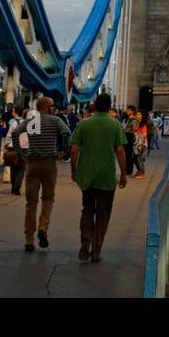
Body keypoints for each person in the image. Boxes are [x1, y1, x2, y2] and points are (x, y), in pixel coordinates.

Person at [69, 92, 128, 263]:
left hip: (87, 174)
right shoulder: (115, 124)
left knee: (87, 209)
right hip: (107, 176)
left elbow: (73, 151)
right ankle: (96, 250)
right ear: (110, 106)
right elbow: (120, 151)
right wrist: (123, 174)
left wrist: (74, 171)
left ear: (95, 105)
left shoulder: (83, 124)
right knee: (103, 213)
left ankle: (86, 237)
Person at [22, 96, 73, 251]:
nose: (54, 108)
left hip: (32, 164)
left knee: (31, 203)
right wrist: (64, 151)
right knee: (48, 198)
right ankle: (43, 227)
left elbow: (17, 133)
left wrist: (21, 152)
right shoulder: (55, 121)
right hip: (49, 163)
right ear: (45, 107)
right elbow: (67, 134)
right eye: (52, 105)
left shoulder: (32, 121)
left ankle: (29, 239)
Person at [4, 106, 26, 195]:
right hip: (24, 147)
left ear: (15, 112)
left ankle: (13, 187)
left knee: (13, 167)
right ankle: (17, 187)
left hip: (13, 147)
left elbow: (9, 134)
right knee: (21, 168)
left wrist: (6, 144)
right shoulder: (26, 122)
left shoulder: (12, 121)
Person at [131, 111, 147, 179]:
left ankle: (142, 172)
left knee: (138, 158)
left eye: (139, 114)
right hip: (137, 143)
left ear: (142, 116)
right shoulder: (137, 123)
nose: (137, 116)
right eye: (136, 114)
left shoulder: (143, 125)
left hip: (141, 144)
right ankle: (139, 171)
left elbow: (144, 135)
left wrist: (136, 134)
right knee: (135, 158)